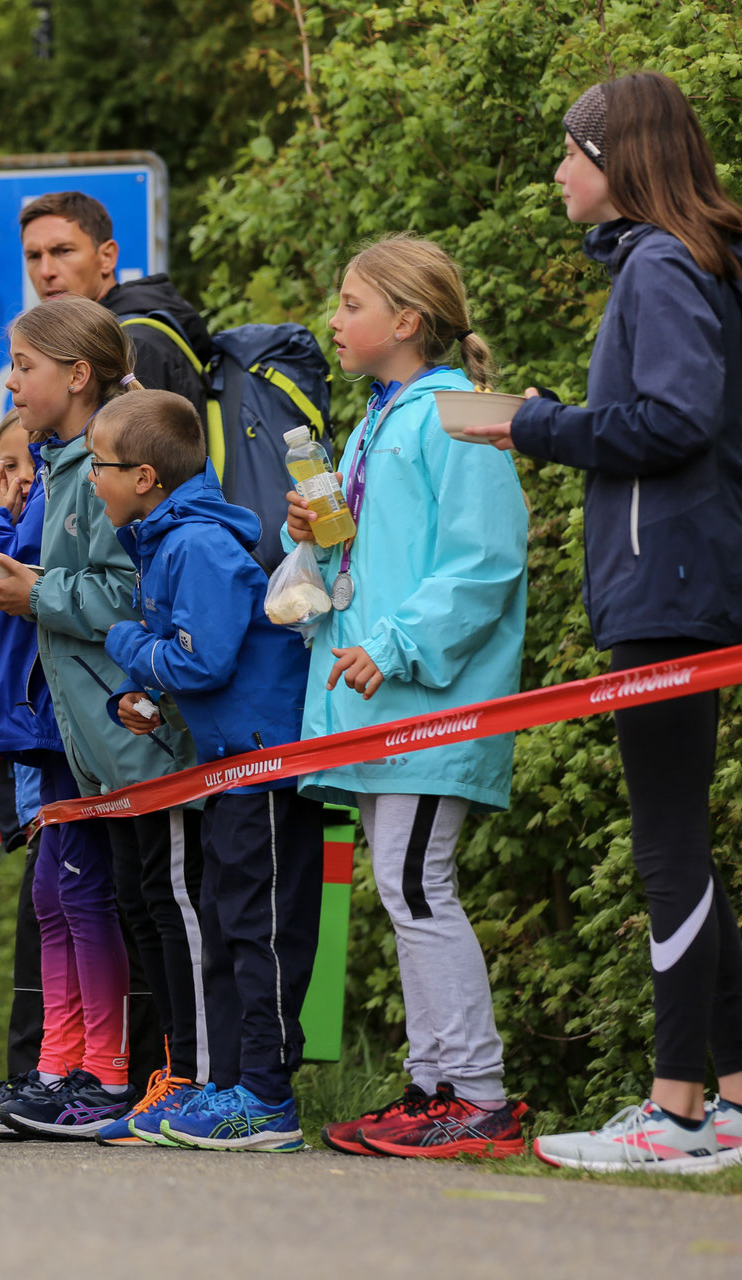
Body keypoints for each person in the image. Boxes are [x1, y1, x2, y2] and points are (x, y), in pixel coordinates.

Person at [466, 72, 742, 1174]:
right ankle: (724, 1099)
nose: (558, 171)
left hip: (671, 588)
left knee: (670, 842)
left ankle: (676, 1111)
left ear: (618, 159)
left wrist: (541, 424)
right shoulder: (681, 262)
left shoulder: (665, 265)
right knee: (686, 842)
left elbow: (677, 418)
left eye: (571, 151)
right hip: (680, 580)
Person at [277, 234, 531, 1159]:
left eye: (350, 304)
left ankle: (476, 1098)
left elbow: (485, 562)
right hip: (386, 708)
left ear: (406, 320)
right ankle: (436, 1091)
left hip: (434, 701)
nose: (334, 321)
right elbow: (372, 562)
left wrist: (393, 646)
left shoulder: (456, 418)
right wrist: (316, 534)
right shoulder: (373, 423)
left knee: (418, 885)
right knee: (405, 888)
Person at [0, 297, 188, 1139]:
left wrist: (28, 589)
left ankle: (102, 1074)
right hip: (50, 713)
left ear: (77, 375)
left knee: (92, 895)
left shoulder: (98, 471)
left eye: (23, 367)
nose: (11, 383)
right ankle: (59, 1068)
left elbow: (126, 594)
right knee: (59, 894)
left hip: (89, 718)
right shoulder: (57, 467)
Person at [98, 388, 323, 1152]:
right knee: (231, 927)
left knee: (259, 931)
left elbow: (204, 660)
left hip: (261, 763)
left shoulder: (196, 546)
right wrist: (142, 694)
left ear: (145, 478)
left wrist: (127, 647)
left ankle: (266, 1097)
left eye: (99, 465)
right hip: (227, 764)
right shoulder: (167, 540)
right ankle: (233, 1087)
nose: (90, 478)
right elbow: (188, 664)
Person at [19, 190, 212, 418]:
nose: (45, 272)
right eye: (33, 256)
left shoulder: (133, 343)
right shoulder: (96, 338)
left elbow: (136, 453)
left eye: (63, 251)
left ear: (107, 257)